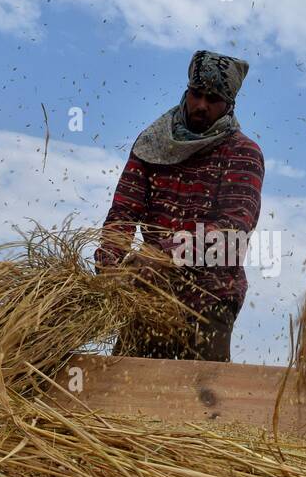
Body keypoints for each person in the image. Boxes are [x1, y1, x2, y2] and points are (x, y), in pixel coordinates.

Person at [96, 50, 264, 362]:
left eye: (212, 99)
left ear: (229, 105)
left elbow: (232, 230)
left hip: (209, 297)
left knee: (200, 398)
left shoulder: (243, 153)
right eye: (196, 94)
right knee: (123, 388)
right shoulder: (152, 145)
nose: (201, 105)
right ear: (186, 92)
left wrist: (163, 254)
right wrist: (109, 264)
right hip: (148, 292)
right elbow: (123, 212)